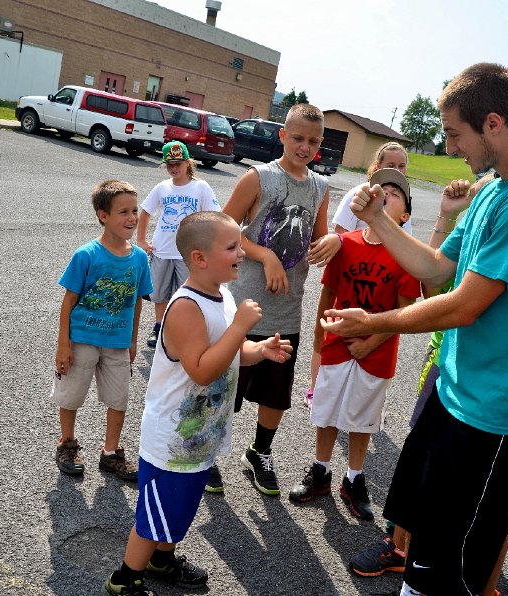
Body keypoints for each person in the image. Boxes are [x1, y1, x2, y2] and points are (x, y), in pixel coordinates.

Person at [323, 62, 508, 595]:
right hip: (456, 394)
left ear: (492, 123)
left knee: (457, 570)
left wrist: (377, 321)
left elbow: (464, 305)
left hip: (498, 414)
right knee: (425, 546)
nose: (449, 147)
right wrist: (376, 222)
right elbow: (440, 268)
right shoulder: (492, 188)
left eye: (453, 133)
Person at [103, 211, 292, 595]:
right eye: (232, 246)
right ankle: (126, 578)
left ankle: (162, 559)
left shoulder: (223, 295)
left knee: (181, 507)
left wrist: (258, 349)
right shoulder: (186, 306)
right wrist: (241, 327)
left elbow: (229, 352)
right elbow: (202, 370)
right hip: (171, 437)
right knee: (153, 516)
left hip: (198, 435)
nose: (242, 252)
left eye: (240, 244)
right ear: (199, 258)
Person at [289, 168, 420, 520]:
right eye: (382, 187)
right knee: (327, 411)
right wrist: (320, 337)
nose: (387, 192)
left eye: (396, 193)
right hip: (337, 345)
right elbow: (328, 291)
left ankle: (354, 477)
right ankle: (320, 470)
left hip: (376, 352)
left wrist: (371, 343)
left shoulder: (406, 255)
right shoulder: (346, 245)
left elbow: (405, 311)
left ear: (404, 216)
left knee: (362, 420)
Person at [220, 103, 331, 496]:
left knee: (276, 395)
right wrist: (265, 254)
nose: (305, 147)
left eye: (313, 141)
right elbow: (223, 229)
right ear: (282, 135)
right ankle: (212, 456)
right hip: (243, 305)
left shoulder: (320, 187)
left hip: (288, 309)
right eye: (298, 138)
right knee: (226, 386)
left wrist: (332, 241)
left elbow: (319, 238)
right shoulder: (258, 178)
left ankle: (259, 452)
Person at [52, 180, 153, 482]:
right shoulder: (86, 254)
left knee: (119, 399)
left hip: (118, 343)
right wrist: (63, 345)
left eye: (135, 210)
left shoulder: (139, 258)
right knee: (71, 396)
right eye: (123, 211)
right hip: (82, 339)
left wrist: (133, 341)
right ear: (102, 215)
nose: (132, 218)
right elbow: (69, 300)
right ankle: (67, 444)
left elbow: (137, 302)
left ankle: (110, 453)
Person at [305, 142, 412, 408]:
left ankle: (364, 404)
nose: (397, 170)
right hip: (349, 277)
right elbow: (341, 234)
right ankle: (315, 388)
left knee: (368, 354)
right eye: (390, 165)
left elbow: (406, 244)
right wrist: (337, 241)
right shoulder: (358, 193)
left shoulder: (402, 201)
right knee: (326, 336)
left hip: (381, 285)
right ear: (377, 167)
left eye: (401, 166)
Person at [138, 141, 220, 348]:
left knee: (186, 293)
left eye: (178, 163)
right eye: (169, 165)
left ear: (187, 162)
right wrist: (141, 240)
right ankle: (159, 328)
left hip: (188, 252)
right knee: (160, 293)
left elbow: (214, 215)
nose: (174, 168)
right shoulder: (162, 187)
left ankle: (182, 330)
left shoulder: (200, 187)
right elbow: (146, 211)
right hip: (162, 250)